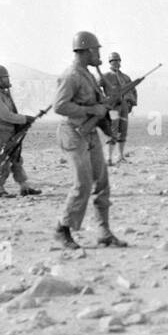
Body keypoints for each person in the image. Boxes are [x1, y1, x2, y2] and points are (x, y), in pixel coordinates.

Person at [52, 30, 126, 250]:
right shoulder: (71, 75)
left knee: (102, 183)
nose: (98, 54)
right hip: (73, 133)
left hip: (90, 133)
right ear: (86, 50)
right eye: (96, 50)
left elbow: (98, 105)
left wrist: (105, 107)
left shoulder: (88, 74)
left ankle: (103, 231)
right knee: (83, 183)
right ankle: (62, 229)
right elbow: (60, 106)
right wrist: (92, 108)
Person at [0, 64, 41, 198]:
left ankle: (24, 187)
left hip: (9, 130)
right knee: (4, 159)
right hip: (1, 131)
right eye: (5, 78)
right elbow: (6, 115)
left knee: (16, 158)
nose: (8, 80)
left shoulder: (4, 94)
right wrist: (25, 119)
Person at [101, 52, 136, 166]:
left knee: (123, 130)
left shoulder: (125, 77)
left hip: (124, 107)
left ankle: (121, 156)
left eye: (117, 60)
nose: (115, 63)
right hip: (113, 108)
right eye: (113, 61)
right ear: (110, 63)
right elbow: (95, 88)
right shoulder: (105, 76)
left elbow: (133, 91)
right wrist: (105, 100)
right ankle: (109, 158)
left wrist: (131, 103)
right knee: (112, 130)